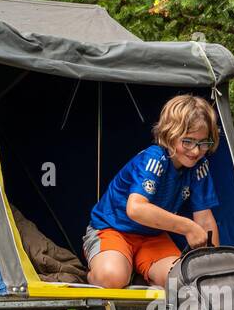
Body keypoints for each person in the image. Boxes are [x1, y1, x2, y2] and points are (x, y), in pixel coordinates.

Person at [84, 94, 221, 289]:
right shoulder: (155, 158)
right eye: (188, 141)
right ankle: (104, 269)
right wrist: (187, 227)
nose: (195, 151)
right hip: (113, 229)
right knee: (112, 278)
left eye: (203, 143)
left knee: (183, 282)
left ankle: (142, 274)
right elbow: (136, 209)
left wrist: (214, 265)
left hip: (152, 237)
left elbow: (205, 218)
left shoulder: (199, 166)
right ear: (170, 135)